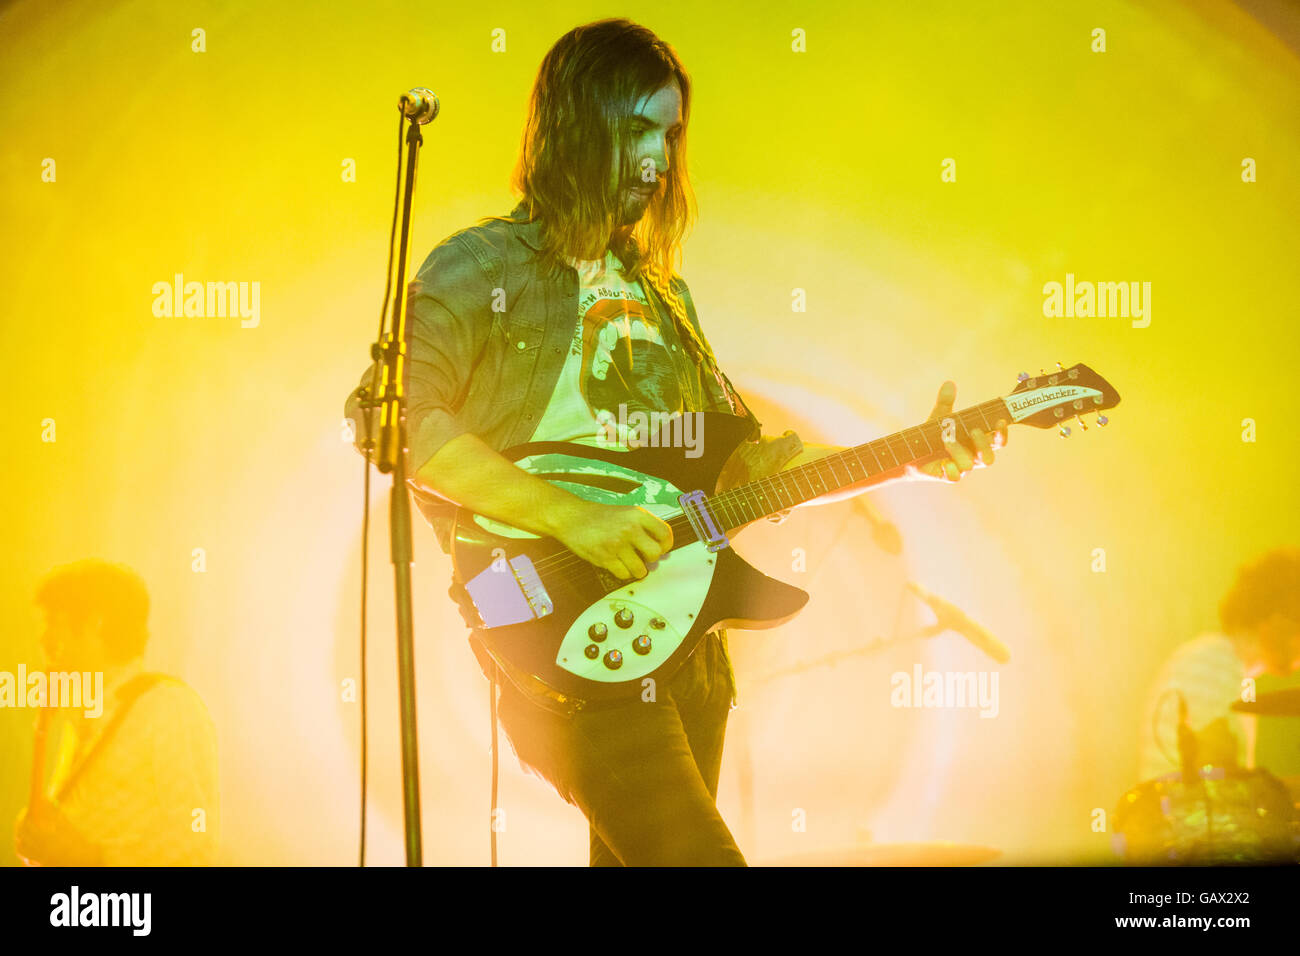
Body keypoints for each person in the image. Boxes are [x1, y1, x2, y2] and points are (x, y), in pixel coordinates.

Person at [344, 18, 1004, 866]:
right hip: (548, 620)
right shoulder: (482, 267)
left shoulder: (665, 295)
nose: (657, 160)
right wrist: (576, 519)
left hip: (687, 641)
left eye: (671, 133)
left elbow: (745, 474)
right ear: (574, 126)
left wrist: (911, 455)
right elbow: (391, 419)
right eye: (635, 131)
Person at [14, 559, 219, 866]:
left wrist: (91, 856)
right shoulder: (85, 718)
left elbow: (195, 846)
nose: (44, 640)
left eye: (55, 622)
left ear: (95, 623)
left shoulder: (168, 707)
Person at [1138, 547, 1300, 781]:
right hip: (1184, 816)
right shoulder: (1211, 664)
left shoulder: (1227, 667)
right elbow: (1218, 786)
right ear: (1276, 617)